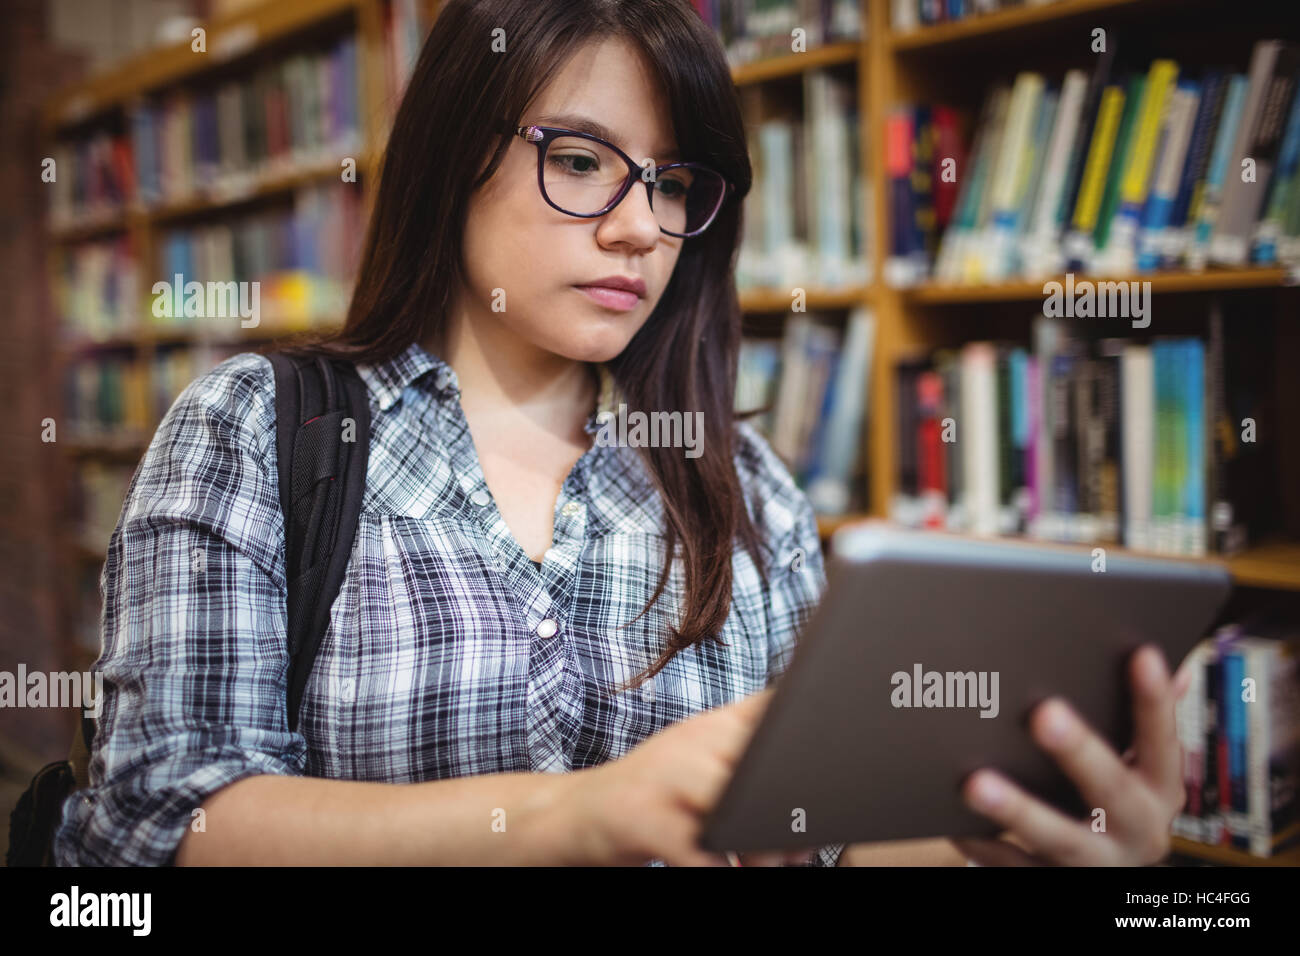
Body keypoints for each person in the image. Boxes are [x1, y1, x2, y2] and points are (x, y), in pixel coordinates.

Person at [54, 0, 1187, 867]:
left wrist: (999, 835)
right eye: (583, 161)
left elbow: (817, 839)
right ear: (455, 155)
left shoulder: (742, 482)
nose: (643, 227)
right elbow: (156, 817)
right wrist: (575, 813)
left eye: (674, 182)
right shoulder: (259, 427)